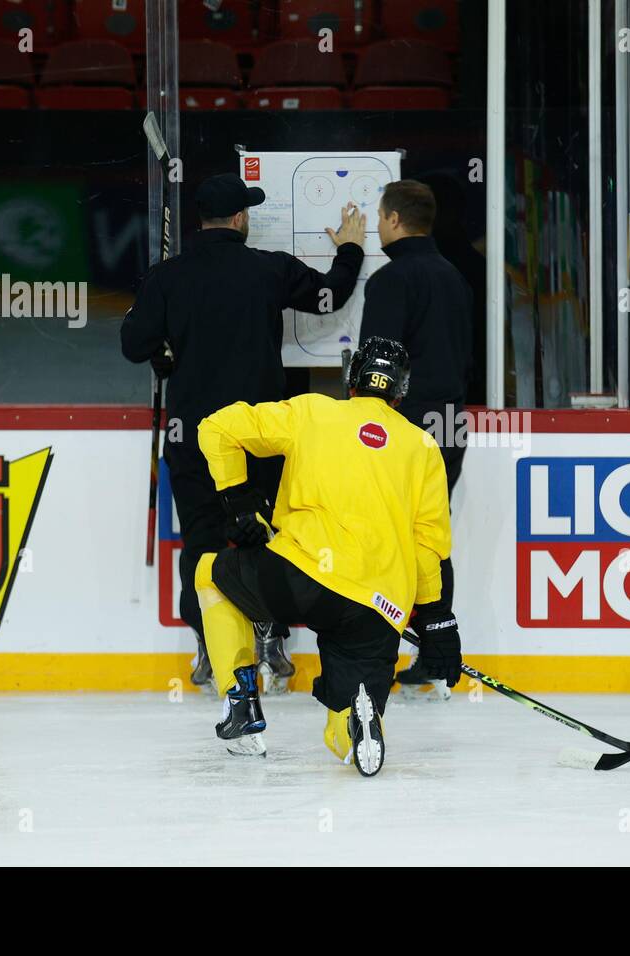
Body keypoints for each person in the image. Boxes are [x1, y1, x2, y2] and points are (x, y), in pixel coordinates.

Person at [121, 173, 365, 690]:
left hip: (194, 437)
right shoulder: (267, 269)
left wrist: (166, 351)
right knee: (266, 540)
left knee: (203, 545)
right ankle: (272, 641)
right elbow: (331, 296)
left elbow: (133, 343)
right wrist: (348, 250)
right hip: (260, 437)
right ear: (239, 219)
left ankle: (212, 651)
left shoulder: (168, 276)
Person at [192, 337, 460, 776]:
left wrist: (237, 500)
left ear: (352, 380)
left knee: (210, 572)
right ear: (400, 391)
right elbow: (426, 545)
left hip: (299, 577)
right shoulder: (422, 448)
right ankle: (359, 718)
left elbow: (217, 428)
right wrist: (434, 618)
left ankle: (240, 695)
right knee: (341, 729)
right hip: (377, 605)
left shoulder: (313, 412)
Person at [359, 179, 472, 700]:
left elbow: (377, 369)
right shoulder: (455, 277)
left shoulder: (389, 281)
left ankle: (374, 650)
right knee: (429, 538)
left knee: (382, 538)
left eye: (380, 217)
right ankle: (435, 646)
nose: (377, 226)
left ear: (395, 220)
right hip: (449, 424)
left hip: (402, 429)